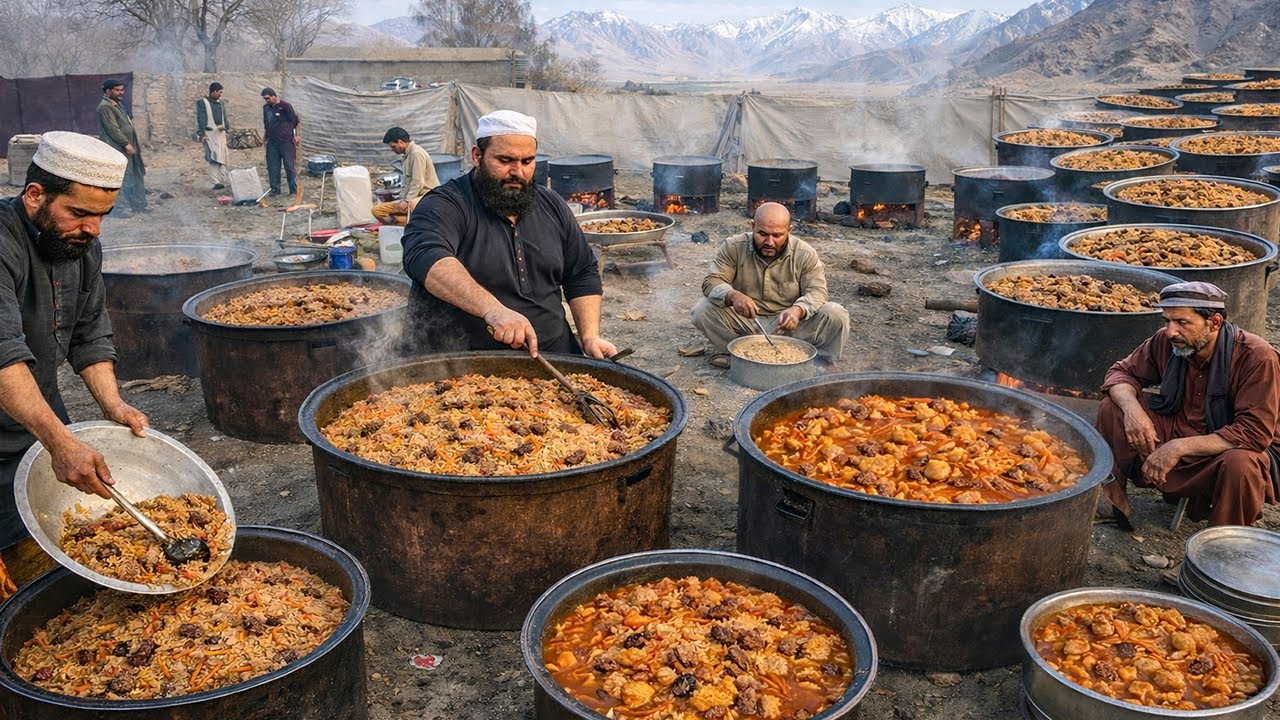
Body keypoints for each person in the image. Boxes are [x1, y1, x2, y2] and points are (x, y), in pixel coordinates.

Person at [0, 131, 150, 554]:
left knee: (52, 538)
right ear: (35, 195)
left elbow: (89, 333)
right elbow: (3, 358)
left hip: (38, 415)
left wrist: (113, 404)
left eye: (103, 215)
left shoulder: (81, 245)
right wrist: (61, 442)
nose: (93, 229)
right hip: (18, 414)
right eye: (80, 212)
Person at [401, 110, 616, 359]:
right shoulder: (446, 203)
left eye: (527, 161)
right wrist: (493, 310)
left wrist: (590, 335)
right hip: (459, 363)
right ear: (477, 156)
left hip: (553, 356)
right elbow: (426, 256)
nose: (518, 172)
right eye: (505, 161)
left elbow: (581, 272)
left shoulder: (552, 205)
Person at [1096, 281, 1280, 528]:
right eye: (1167, 321)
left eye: (1182, 322)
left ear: (1214, 322)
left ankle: (1222, 545)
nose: (1171, 331)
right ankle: (1114, 499)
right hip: (1181, 423)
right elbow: (1120, 374)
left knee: (1242, 464)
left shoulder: (1257, 357)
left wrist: (1176, 448)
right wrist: (1133, 412)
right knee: (1114, 406)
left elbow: (1254, 433)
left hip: (1229, 446)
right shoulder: (1166, 341)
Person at [691, 202, 850, 369]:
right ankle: (738, 355)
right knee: (702, 309)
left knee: (836, 314)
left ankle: (822, 361)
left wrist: (798, 310)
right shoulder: (734, 247)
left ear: (789, 230)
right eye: (762, 234)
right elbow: (712, 281)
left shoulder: (805, 253)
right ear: (752, 226)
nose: (770, 242)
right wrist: (733, 296)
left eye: (778, 235)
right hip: (748, 322)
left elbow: (817, 291)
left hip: (789, 327)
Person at [95, 78, 145, 215]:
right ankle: (120, 209)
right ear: (107, 91)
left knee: (136, 173)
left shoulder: (117, 104)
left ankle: (138, 205)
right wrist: (126, 144)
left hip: (128, 147)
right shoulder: (105, 107)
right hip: (117, 148)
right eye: (117, 90)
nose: (120, 92)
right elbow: (113, 129)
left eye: (121, 90)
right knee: (121, 177)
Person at [372, 127, 440, 226]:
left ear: (400, 142)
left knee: (379, 210)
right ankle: (406, 223)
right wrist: (401, 198)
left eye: (393, 146)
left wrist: (407, 200)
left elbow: (418, 182)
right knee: (378, 211)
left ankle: (411, 223)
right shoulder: (407, 155)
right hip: (415, 197)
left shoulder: (416, 154)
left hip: (426, 197)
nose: (392, 150)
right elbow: (407, 183)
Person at [260, 87, 300, 197]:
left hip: (286, 141)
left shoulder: (286, 106)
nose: (267, 101)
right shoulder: (266, 108)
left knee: (289, 165)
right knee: (273, 166)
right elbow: (266, 123)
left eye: (268, 98)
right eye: (265, 99)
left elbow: (294, 121)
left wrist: (292, 134)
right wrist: (265, 138)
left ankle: (293, 190)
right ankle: (275, 189)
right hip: (272, 142)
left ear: (274, 96)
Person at [195, 81, 231, 190]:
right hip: (209, 135)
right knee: (213, 158)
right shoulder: (203, 102)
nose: (220, 94)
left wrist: (226, 128)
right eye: (219, 92)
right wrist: (202, 134)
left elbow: (224, 117)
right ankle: (215, 182)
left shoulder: (221, 103)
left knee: (223, 157)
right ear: (214, 91)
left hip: (221, 135)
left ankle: (223, 180)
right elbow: (201, 119)